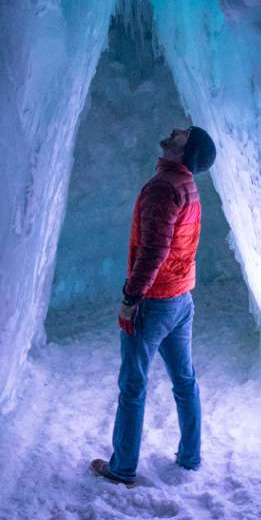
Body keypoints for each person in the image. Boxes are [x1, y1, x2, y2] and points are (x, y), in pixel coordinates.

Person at [91, 125, 217, 487]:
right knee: (184, 380)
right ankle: (190, 456)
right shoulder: (187, 186)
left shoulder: (163, 189)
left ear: (186, 150)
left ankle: (123, 468)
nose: (174, 132)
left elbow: (154, 252)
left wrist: (131, 297)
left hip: (155, 302)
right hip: (181, 300)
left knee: (133, 384)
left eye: (181, 135)